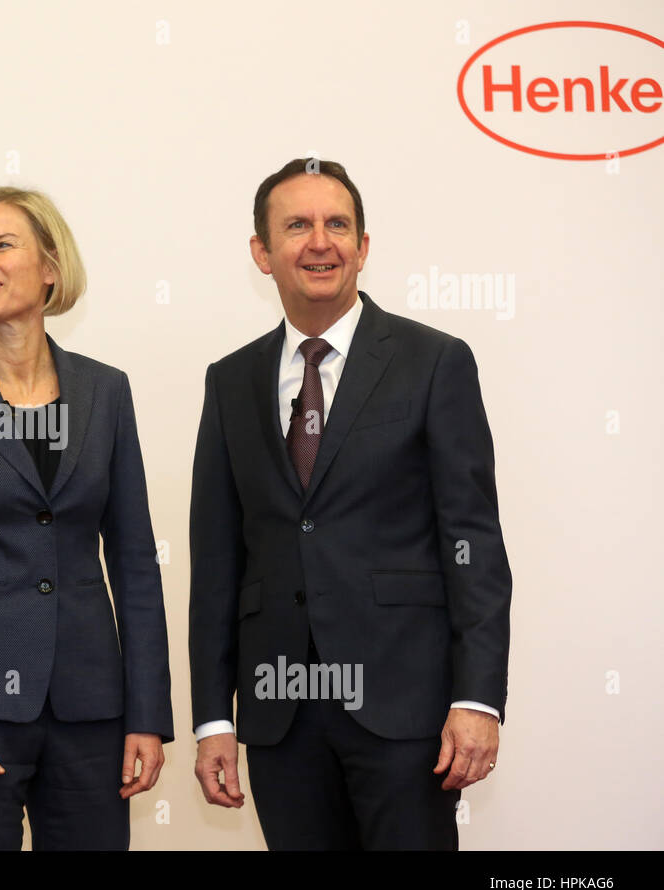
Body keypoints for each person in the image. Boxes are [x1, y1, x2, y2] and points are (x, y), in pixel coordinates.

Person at [188, 158, 511, 850]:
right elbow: (216, 560)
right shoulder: (230, 381)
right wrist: (214, 718)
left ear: (363, 247)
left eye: (338, 224)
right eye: (297, 225)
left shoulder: (434, 362)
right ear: (262, 253)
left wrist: (476, 698)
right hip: (280, 716)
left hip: (405, 710)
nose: (320, 241)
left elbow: (473, 542)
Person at [0, 186, 173, 850]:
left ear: (50, 266)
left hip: (92, 709)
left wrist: (147, 714)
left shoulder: (106, 390)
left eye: (1, 245)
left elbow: (134, 563)